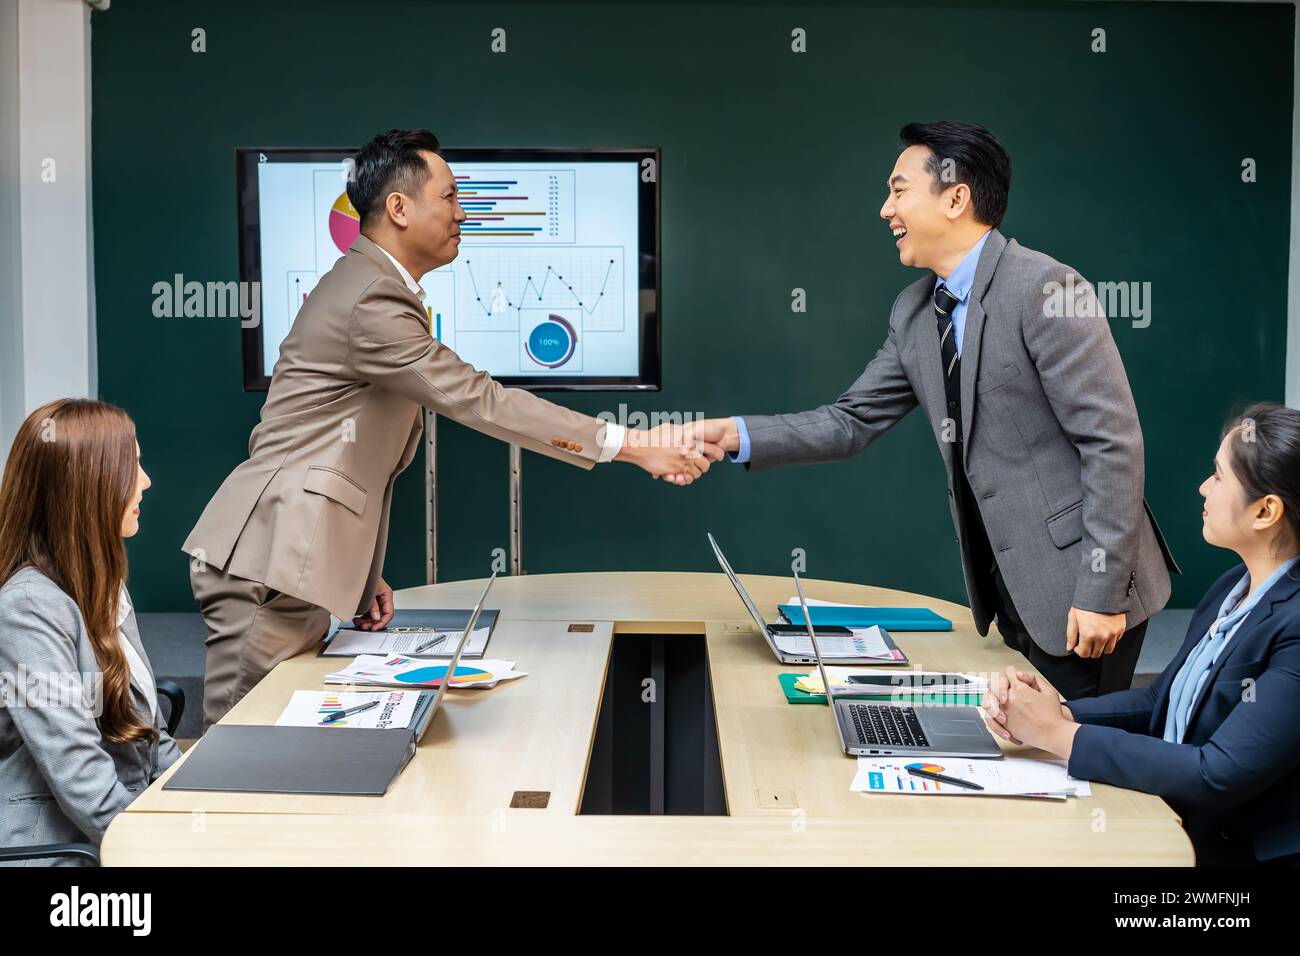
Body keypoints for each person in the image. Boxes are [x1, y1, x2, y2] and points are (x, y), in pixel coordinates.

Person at [184, 129, 722, 729]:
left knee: (278, 758)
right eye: (451, 196)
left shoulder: (371, 287)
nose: (462, 213)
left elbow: (325, 449)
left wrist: (360, 570)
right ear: (398, 208)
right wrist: (634, 444)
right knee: (237, 766)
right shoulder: (370, 299)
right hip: (266, 568)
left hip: (289, 565)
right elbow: (479, 400)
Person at [687, 121, 1177, 698]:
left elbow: (1112, 444)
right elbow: (850, 421)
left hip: (1083, 591)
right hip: (1010, 588)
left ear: (955, 198)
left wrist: (1099, 594)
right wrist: (733, 435)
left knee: (1080, 765)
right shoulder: (916, 312)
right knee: (1030, 753)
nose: (884, 210)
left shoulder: (1046, 289)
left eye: (898, 191)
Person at [986, 403, 1300, 866]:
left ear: (1265, 510)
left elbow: (1216, 774)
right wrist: (1054, 712)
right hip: (1173, 821)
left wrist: (1056, 734)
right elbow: (1160, 703)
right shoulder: (1232, 589)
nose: (1203, 488)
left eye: (1218, 476)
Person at [0, 399, 179, 865]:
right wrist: (172, 848)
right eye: (132, 467)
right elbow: (82, 780)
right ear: (88, 486)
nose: (146, 481)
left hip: (121, 826)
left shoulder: (101, 584)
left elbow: (152, 737)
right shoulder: (26, 609)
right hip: (62, 851)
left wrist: (202, 801)